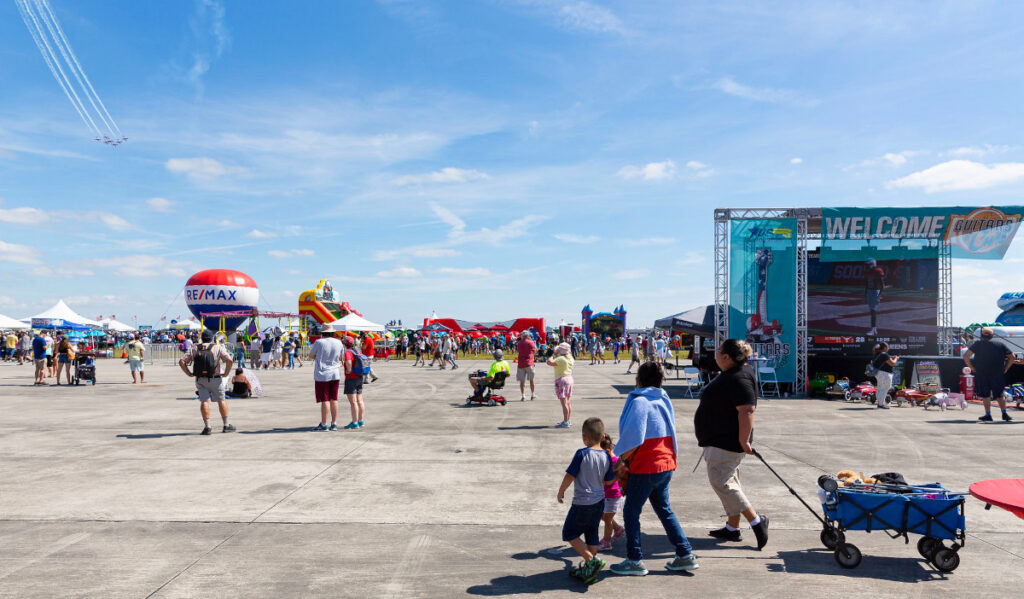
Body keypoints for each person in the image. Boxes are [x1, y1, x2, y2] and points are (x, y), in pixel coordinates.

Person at [610, 361, 698, 576]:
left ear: (638, 380)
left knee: (631, 512)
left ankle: (634, 560)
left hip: (647, 465)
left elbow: (633, 439)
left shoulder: (640, 401)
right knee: (664, 509)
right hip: (665, 463)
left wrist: (620, 460)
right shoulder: (663, 398)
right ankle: (685, 554)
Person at [694, 339, 769, 550]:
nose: (716, 354)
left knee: (723, 483)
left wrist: (744, 441)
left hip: (725, 442)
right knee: (731, 483)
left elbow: (747, 410)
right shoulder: (734, 375)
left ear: (726, 356)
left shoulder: (739, 377)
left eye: (718, 351)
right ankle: (732, 528)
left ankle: (756, 521)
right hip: (721, 440)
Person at [556, 417, 613, 584]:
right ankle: (590, 570)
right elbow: (609, 481)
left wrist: (561, 491)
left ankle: (591, 561)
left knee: (570, 533)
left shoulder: (582, 454)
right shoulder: (606, 456)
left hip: (582, 503)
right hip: (599, 502)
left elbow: (570, 476)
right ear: (602, 437)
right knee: (591, 532)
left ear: (584, 437)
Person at [178, 330, 236, 435]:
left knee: (204, 401)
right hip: (215, 378)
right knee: (221, 400)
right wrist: (226, 373)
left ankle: (207, 427)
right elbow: (229, 360)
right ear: (212, 338)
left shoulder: (195, 348)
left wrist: (189, 373)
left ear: (202, 338)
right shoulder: (218, 348)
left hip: (200, 379)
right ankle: (226, 425)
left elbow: (182, 361)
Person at [964, 327, 1015, 422]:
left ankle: (988, 414)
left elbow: (966, 355)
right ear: (992, 336)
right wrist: (1006, 368)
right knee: (999, 394)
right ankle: (1004, 413)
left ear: (981, 336)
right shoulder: (999, 344)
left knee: (985, 394)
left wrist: (972, 367)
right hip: (997, 373)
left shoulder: (977, 344)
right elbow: (1012, 356)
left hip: (982, 373)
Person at [309, 324, 343, 430]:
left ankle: (324, 424)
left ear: (322, 333)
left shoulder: (319, 342)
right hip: (335, 373)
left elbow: (311, 355)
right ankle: (334, 423)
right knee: (334, 399)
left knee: (325, 399)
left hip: (322, 373)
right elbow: (341, 357)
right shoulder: (339, 342)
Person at [599, 432, 626, 551]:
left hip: (613, 495)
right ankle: (618, 529)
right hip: (608, 494)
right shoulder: (610, 458)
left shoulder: (611, 460)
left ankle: (606, 542)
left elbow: (607, 480)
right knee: (601, 515)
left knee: (607, 519)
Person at [546, 342, 575, 428]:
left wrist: (553, 354)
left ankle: (565, 422)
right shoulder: (571, 358)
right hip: (569, 378)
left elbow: (549, 362)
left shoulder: (561, 359)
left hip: (562, 380)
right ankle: (567, 420)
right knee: (568, 402)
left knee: (564, 403)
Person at [342, 336, 366, 429]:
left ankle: (354, 422)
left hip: (351, 378)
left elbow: (348, 362)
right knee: (360, 400)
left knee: (353, 402)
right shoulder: (357, 351)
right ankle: (361, 420)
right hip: (359, 377)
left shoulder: (348, 352)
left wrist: (348, 370)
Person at [870, 341, 898, 409]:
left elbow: (886, 362)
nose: (888, 349)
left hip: (878, 373)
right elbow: (892, 363)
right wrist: (896, 359)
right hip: (885, 373)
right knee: (885, 388)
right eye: (887, 347)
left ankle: (880, 403)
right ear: (885, 348)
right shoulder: (884, 354)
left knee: (880, 388)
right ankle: (881, 404)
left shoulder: (877, 354)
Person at [864, 259, 885, 336]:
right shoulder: (868, 272)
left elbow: (882, 285)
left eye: (868, 265)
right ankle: (874, 329)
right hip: (870, 291)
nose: (866, 266)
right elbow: (866, 284)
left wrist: (879, 294)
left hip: (875, 291)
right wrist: (865, 295)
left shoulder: (877, 271)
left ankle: (873, 330)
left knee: (873, 311)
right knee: (871, 311)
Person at [517, 331, 537, 401]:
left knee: (522, 381)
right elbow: (535, 351)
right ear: (528, 336)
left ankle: (523, 396)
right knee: (531, 380)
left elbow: (518, 351)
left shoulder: (519, 343)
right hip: (529, 363)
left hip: (521, 363)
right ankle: (532, 394)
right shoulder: (530, 342)